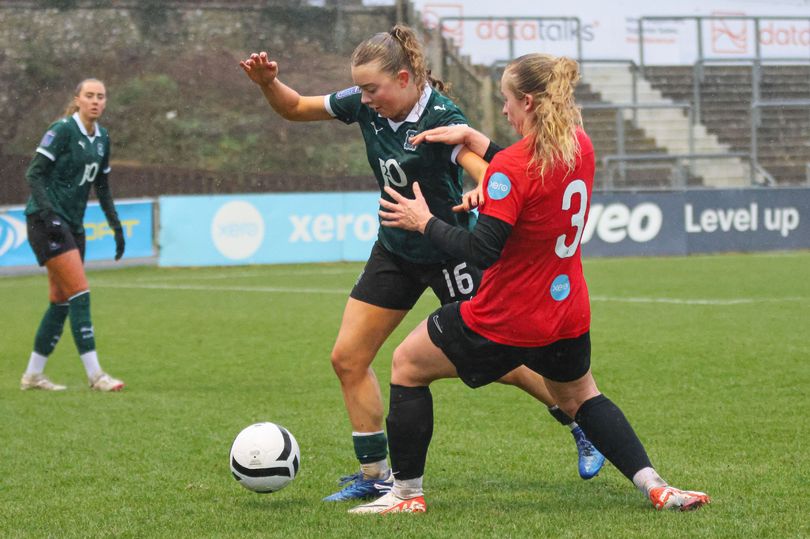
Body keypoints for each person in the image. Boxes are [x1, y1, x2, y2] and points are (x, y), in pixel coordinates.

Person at [239, 26, 603, 501]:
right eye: (362, 89)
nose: (365, 99)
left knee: (505, 361)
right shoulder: (362, 103)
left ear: (406, 78)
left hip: (449, 251)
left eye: (373, 89)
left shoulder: (440, 117)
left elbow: (494, 174)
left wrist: (482, 190)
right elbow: (295, 107)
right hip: (396, 249)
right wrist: (268, 83)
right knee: (347, 359)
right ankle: (374, 477)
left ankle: (580, 421)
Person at [349, 53, 710, 514]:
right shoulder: (580, 145)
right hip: (566, 310)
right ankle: (656, 486)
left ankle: (404, 494)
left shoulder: (514, 167)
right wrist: (478, 140)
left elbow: (482, 251)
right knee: (582, 397)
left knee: (406, 365)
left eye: (506, 101)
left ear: (527, 101)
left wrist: (424, 222)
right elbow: (526, 171)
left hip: (506, 314)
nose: (503, 110)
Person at [20, 78, 126, 393]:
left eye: (101, 96)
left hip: (73, 225)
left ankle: (33, 375)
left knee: (60, 301)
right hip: (45, 221)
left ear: (105, 102)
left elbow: (103, 186)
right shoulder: (63, 130)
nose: (95, 101)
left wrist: (116, 226)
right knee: (79, 292)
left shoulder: (102, 138)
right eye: (89, 95)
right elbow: (33, 173)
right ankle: (96, 376)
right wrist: (49, 213)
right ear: (77, 99)